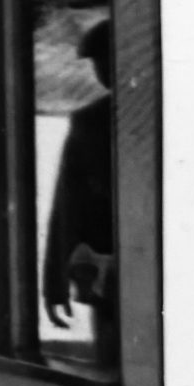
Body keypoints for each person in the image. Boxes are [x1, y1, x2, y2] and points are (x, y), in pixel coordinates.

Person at [42, 18, 117, 365]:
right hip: (108, 277)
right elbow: (66, 205)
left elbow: (66, 207)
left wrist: (55, 281)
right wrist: (55, 280)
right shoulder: (88, 123)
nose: (102, 70)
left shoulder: (89, 123)